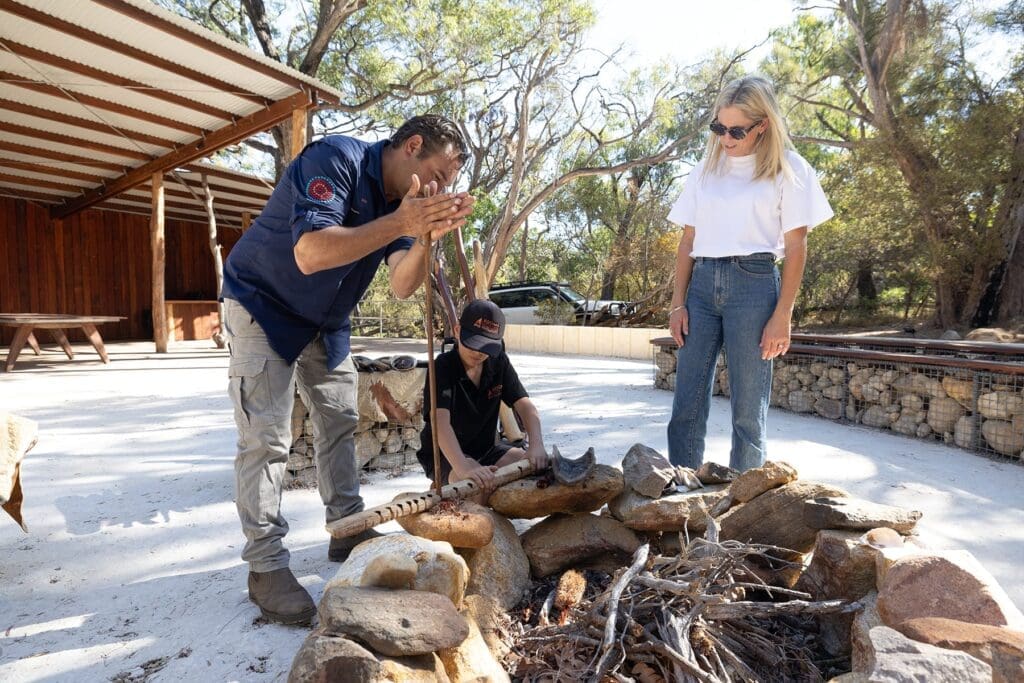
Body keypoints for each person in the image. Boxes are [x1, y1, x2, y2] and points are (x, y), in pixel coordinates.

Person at [220, 114, 475, 625]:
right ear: (413, 146)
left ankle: (346, 529)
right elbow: (311, 254)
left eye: (447, 186)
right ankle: (266, 568)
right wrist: (405, 221)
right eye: (440, 177)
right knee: (266, 439)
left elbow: (403, 284)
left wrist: (425, 236)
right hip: (262, 304)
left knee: (339, 421)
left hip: (327, 321)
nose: (439, 188)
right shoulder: (335, 159)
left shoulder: (401, 205)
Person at [665, 75, 833, 472]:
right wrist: (677, 305)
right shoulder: (705, 170)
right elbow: (687, 241)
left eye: (736, 130)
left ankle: (743, 503)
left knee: (747, 410)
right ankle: (679, 496)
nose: (725, 138)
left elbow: (796, 247)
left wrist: (783, 315)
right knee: (686, 402)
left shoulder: (790, 170)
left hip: (755, 286)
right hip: (701, 287)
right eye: (718, 128)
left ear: (764, 125)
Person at [416, 300, 548, 494]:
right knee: (475, 490)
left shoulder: (498, 361)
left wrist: (537, 445)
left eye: (486, 347)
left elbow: (525, 405)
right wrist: (463, 467)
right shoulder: (442, 367)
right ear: (458, 331)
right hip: (445, 454)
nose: (478, 353)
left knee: (536, 468)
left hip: (488, 448)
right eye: (473, 344)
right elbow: (439, 422)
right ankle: (443, 484)